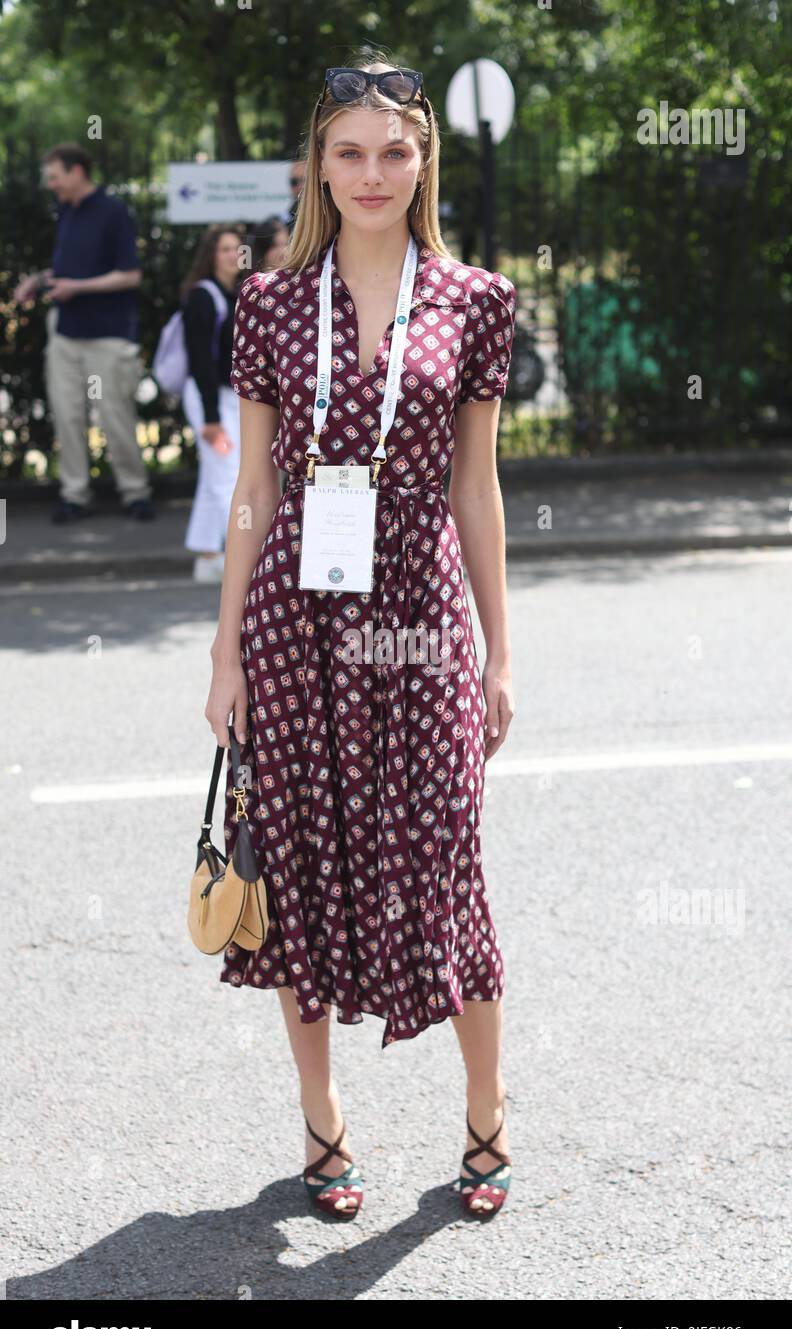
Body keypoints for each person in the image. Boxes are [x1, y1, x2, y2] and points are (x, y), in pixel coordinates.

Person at [203, 53, 517, 1222]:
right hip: (294, 622)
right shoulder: (273, 304)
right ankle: (324, 1128)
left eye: (395, 150)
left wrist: (500, 651)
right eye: (350, 151)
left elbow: (476, 490)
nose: (373, 172)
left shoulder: (476, 299)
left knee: (444, 868)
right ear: (318, 168)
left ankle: (486, 1112)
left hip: (426, 622)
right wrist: (226, 651)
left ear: (424, 158)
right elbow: (256, 493)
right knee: (298, 869)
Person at [12, 142, 155, 524]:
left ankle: (135, 493)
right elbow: (66, 271)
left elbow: (130, 275)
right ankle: (74, 495)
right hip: (66, 333)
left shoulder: (112, 211)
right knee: (67, 416)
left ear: (77, 172)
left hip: (107, 335)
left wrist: (77, 288)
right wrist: (37, 281)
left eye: (55, 177)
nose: (50, 185)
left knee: (114, 416)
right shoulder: (66, 211)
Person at [180, 226, 244, 582]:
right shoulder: (202, 297)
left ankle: (208, 557)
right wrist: (210, 418)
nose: (232, 256)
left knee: (214, 476)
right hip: (208, 399)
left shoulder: (234, 293)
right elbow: (201, 362)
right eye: (224, 249)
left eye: (237, 248)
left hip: (227, 398)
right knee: (228, 476)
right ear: (211, 255)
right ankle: (242, 559)